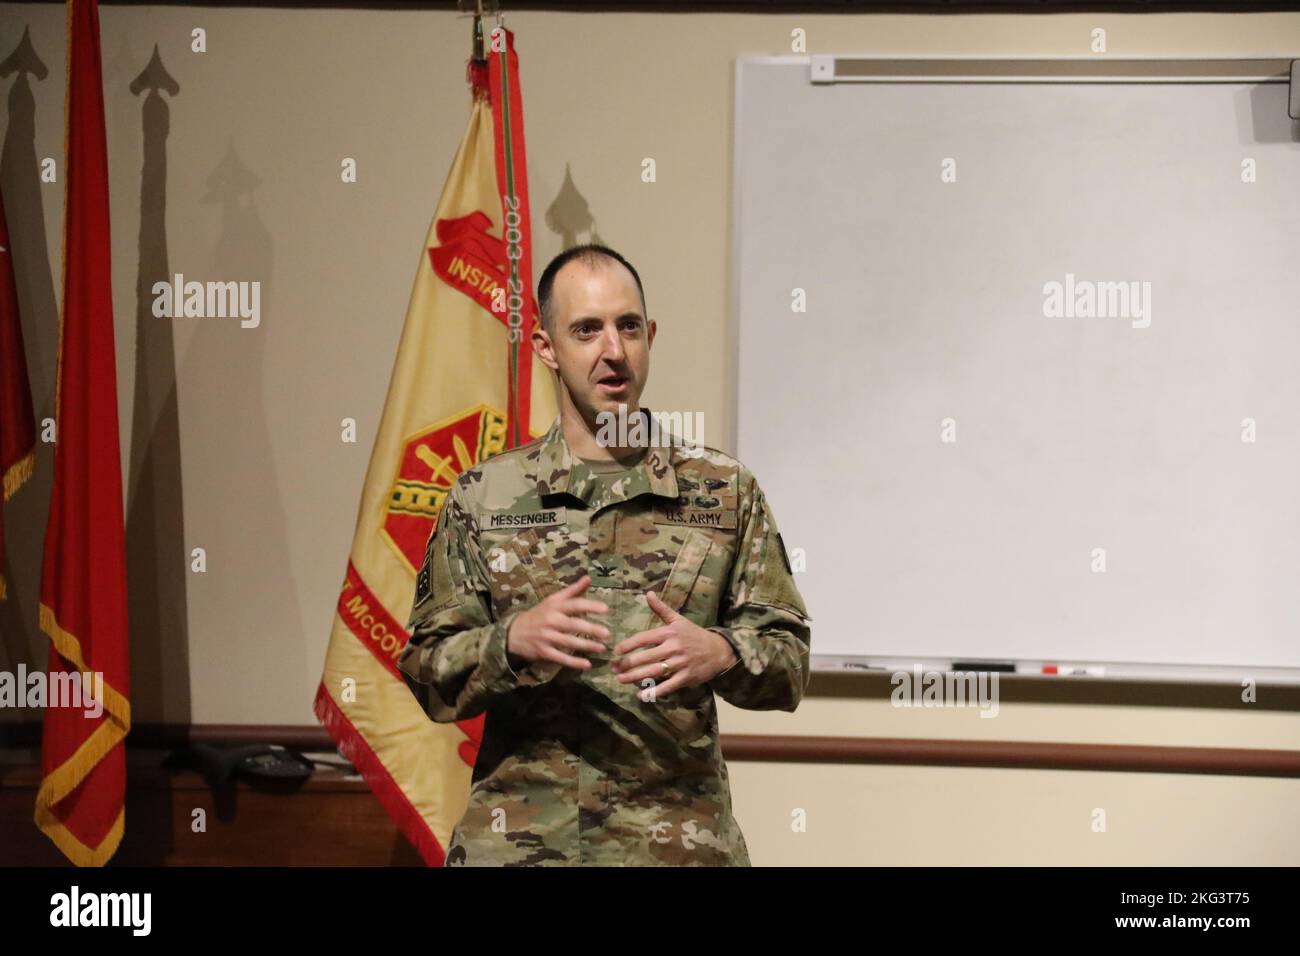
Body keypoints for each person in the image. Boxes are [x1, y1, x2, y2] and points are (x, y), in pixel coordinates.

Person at [397, 243, 811, 866]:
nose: (612, 351)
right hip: (520, 849)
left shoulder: (724, 491)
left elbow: (790, 663)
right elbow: (427, 672)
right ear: (546, 348)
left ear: (650, 336)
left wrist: (721, 652)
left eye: (629, 327)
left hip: (675, 849)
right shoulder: (485, 498)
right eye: (586, 330)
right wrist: (510, 642)